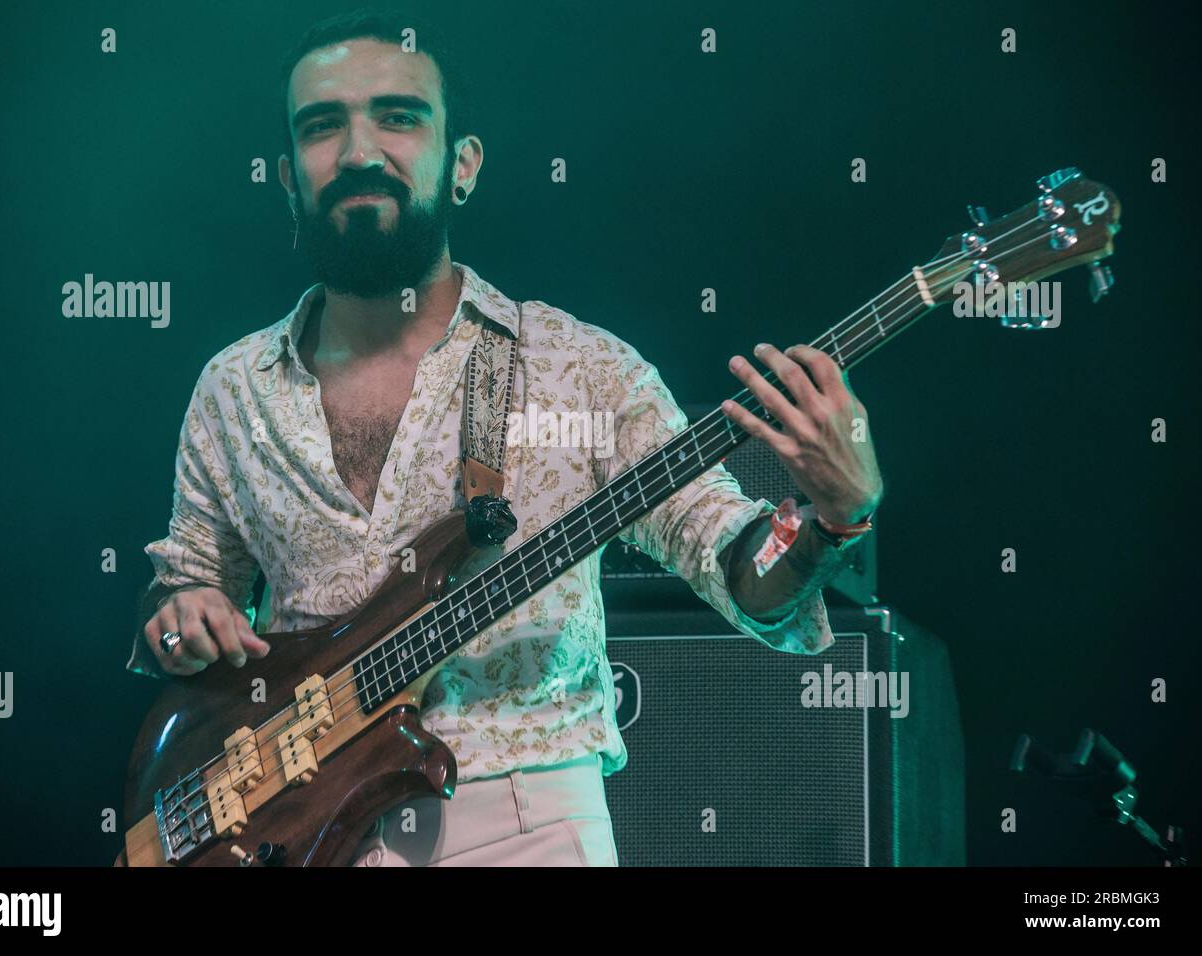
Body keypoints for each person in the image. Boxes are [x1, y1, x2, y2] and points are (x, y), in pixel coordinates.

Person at [125, 10, 884, 867]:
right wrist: (178, 614)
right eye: (322, 125)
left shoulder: (577, 366)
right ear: (288, 178)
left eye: (400, 116)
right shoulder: (232, 388)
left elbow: (740, 572)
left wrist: (834, 521)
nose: (359, 150)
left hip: (521, 825)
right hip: (293, 833)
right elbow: (186, 592)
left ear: (465, 167)